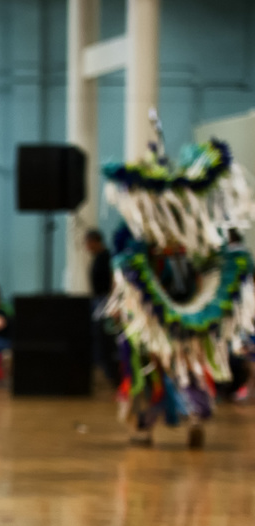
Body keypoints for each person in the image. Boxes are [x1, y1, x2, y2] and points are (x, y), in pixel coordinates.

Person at [101, 134, 255, 449]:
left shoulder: (179, 242)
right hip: (158, 302)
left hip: (179, 303)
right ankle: (181, 418)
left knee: (167, 362)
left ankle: (153, 427)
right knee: (164, 364)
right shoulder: (141, 246)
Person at [86, 229, 120, 387]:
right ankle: (107, 373)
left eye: (88, 242)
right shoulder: (98, 258)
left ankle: (113, 375)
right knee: (98, 337)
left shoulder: (107, 258)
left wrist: (113, 303)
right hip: (99, 300)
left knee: (105, 337)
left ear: (94, 241)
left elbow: (113, 281)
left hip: (105, 301)